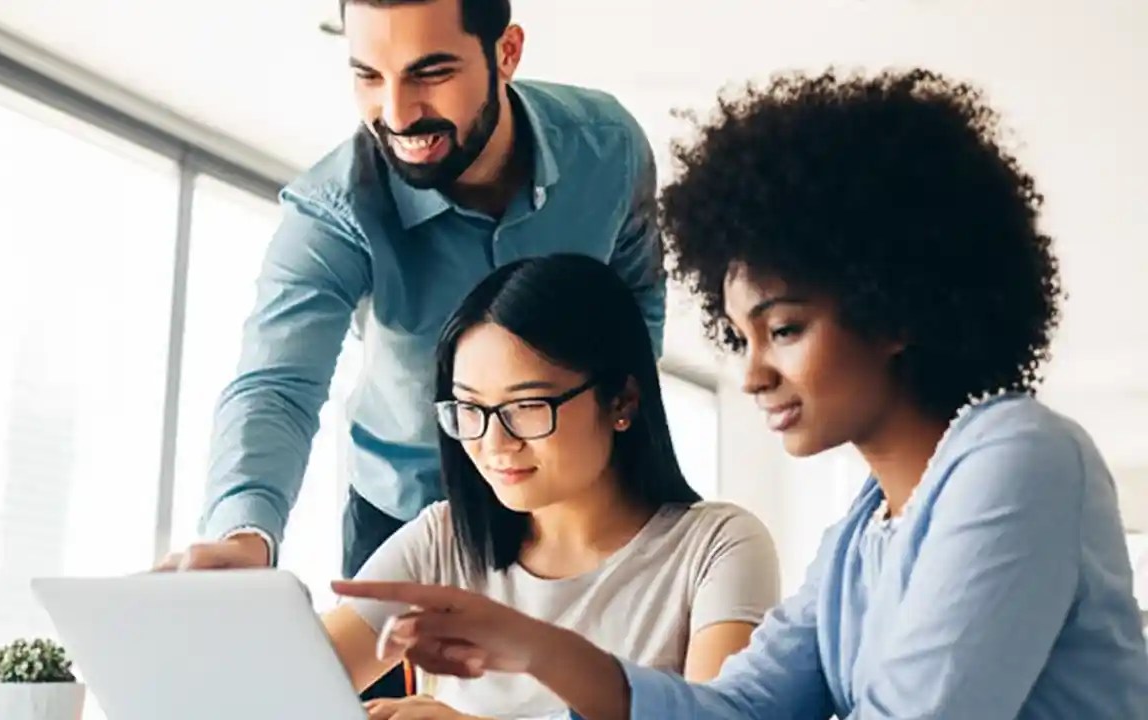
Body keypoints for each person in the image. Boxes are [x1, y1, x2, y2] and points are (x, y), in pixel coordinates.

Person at [333, 68, 1148, 718]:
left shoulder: (1017, 457)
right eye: (741, 338)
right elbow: (740, 710)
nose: (753, 373)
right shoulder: (859, 539)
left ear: (894, 307)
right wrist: (536, 647)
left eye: (784, 329)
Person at [156, 0, 666, 699]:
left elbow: (637, 300)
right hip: (403, 511)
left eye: (431, 72)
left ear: (506, 53)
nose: (396, 114)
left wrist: (615, 445)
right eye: (368, 75)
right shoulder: (334, 207)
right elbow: (277, 385)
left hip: (572, 508)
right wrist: (244, 532)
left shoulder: (609, 150)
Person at [318, 253, 778, 719]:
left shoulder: (715, 547)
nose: (495, 443)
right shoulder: (444, 540)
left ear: (622, 401)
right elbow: (295, 684)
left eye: (526, 406)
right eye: (470, 409)